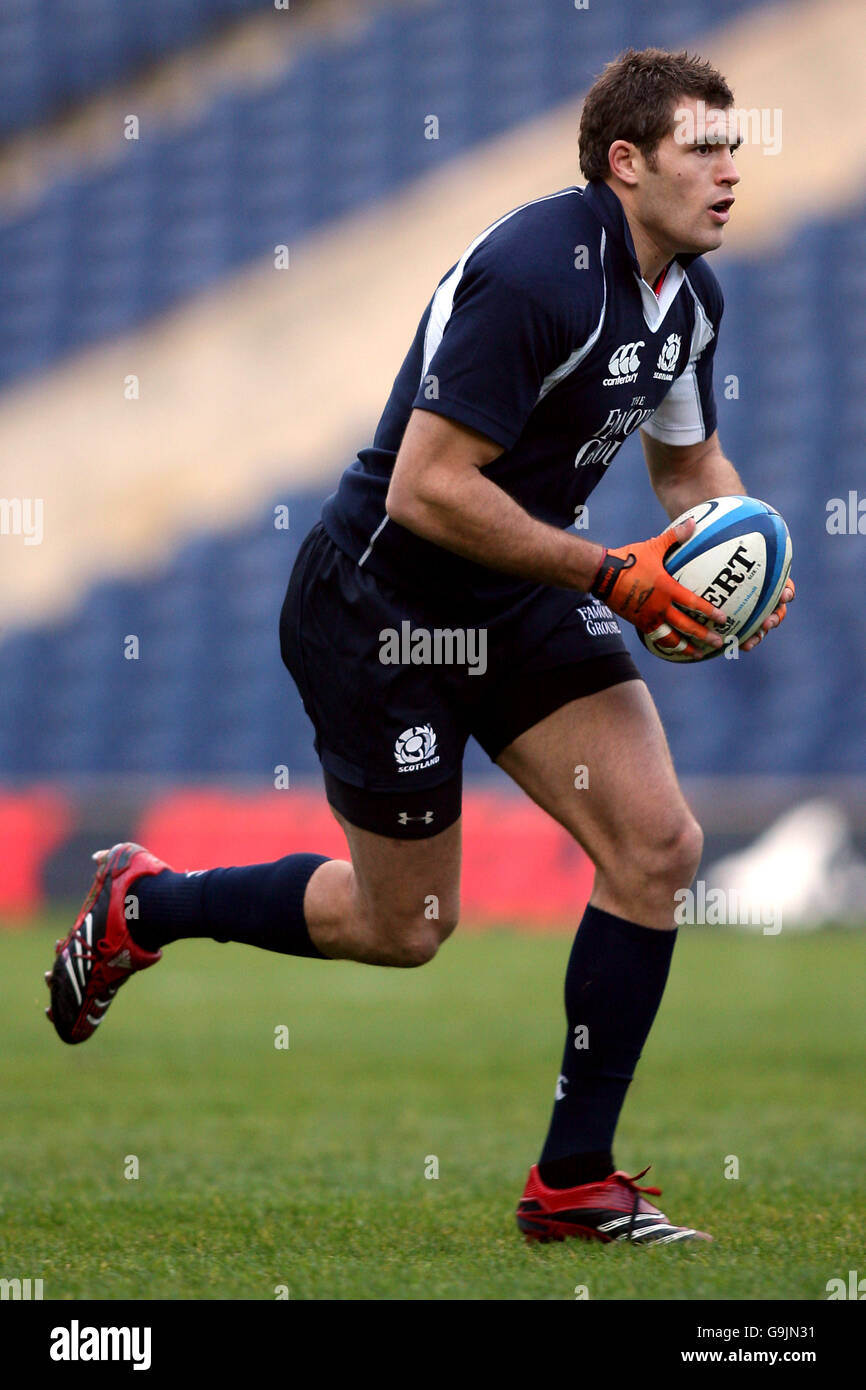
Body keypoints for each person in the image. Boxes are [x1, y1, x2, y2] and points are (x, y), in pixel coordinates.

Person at [46, 48, 793, 1246]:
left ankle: (571, 1183)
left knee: (655, 845)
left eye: (732, 148)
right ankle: (150, 903)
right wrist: (613, 572)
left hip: (518, 590)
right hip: (378, 602)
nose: (728, 171)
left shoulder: (690, 299)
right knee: (407, 928)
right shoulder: (536, 272)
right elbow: (426, 490)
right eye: (703, 148)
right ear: (624, 162)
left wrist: (746, 556)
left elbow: (687, 468)